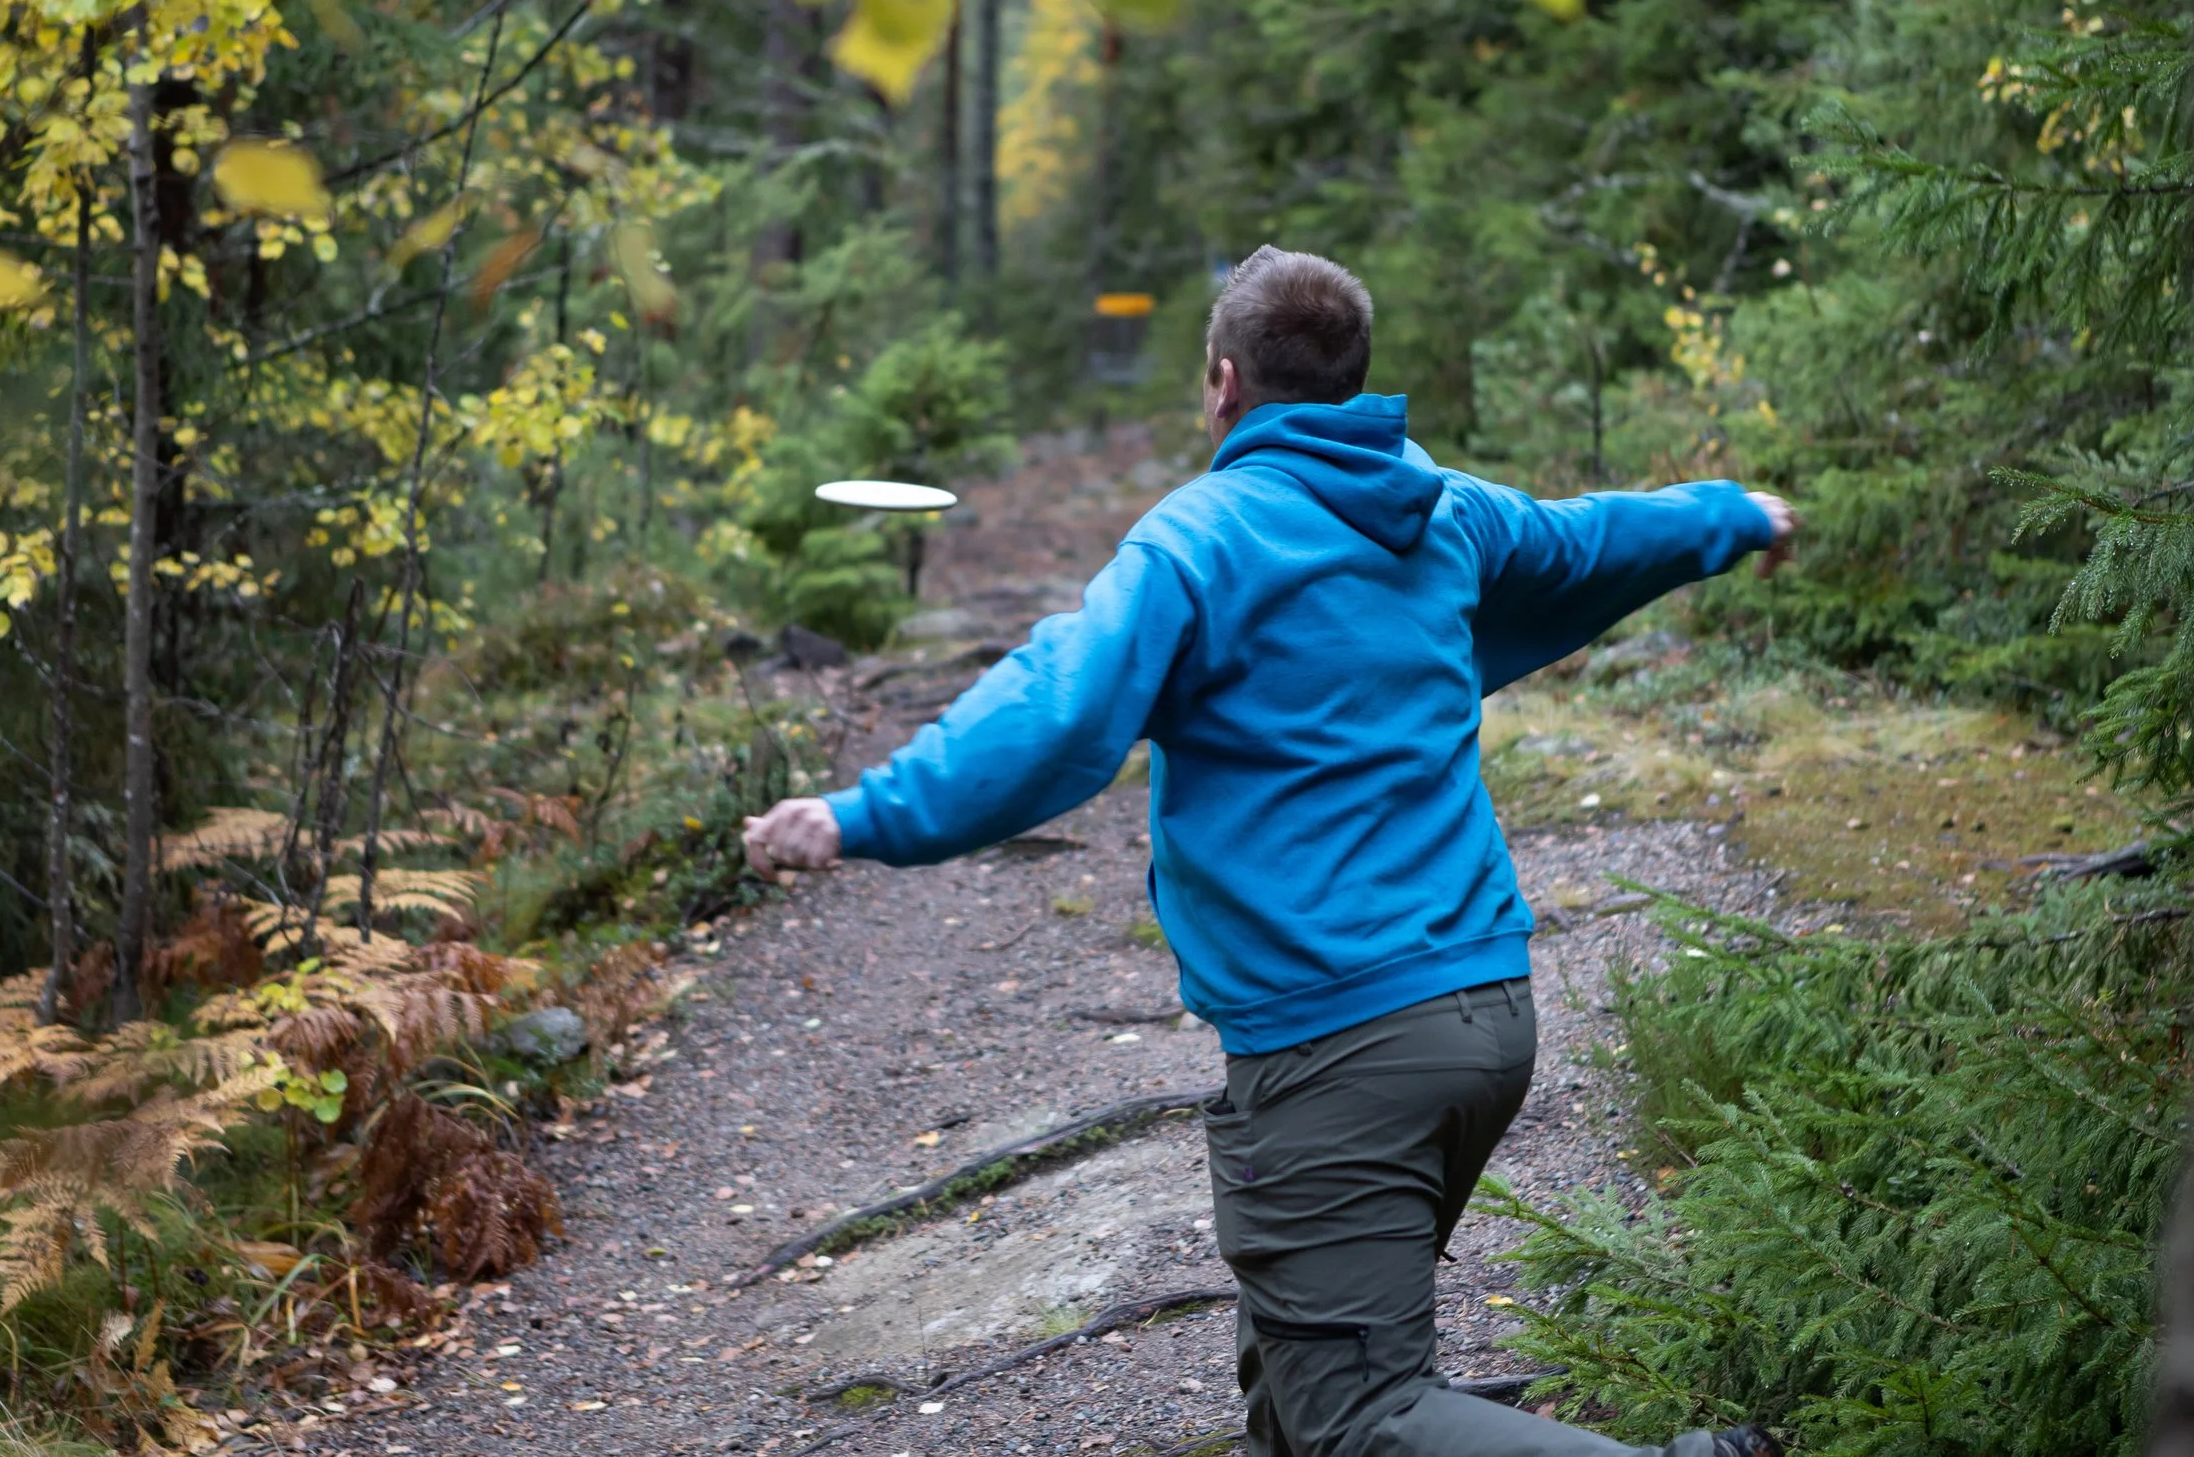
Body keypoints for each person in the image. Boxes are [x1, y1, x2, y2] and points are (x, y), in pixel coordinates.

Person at [743, 247, 1795, 1457]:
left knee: (1359, 1416)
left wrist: (864, 810)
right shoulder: (1439, 505)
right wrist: (1725, 512)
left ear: (1224, 380)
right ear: (1348, 376)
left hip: (1341, 1041)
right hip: (1486, 1015)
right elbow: (1587, 540)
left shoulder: (1197, 539)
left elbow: (1055, 705)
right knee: (1299, 1400)